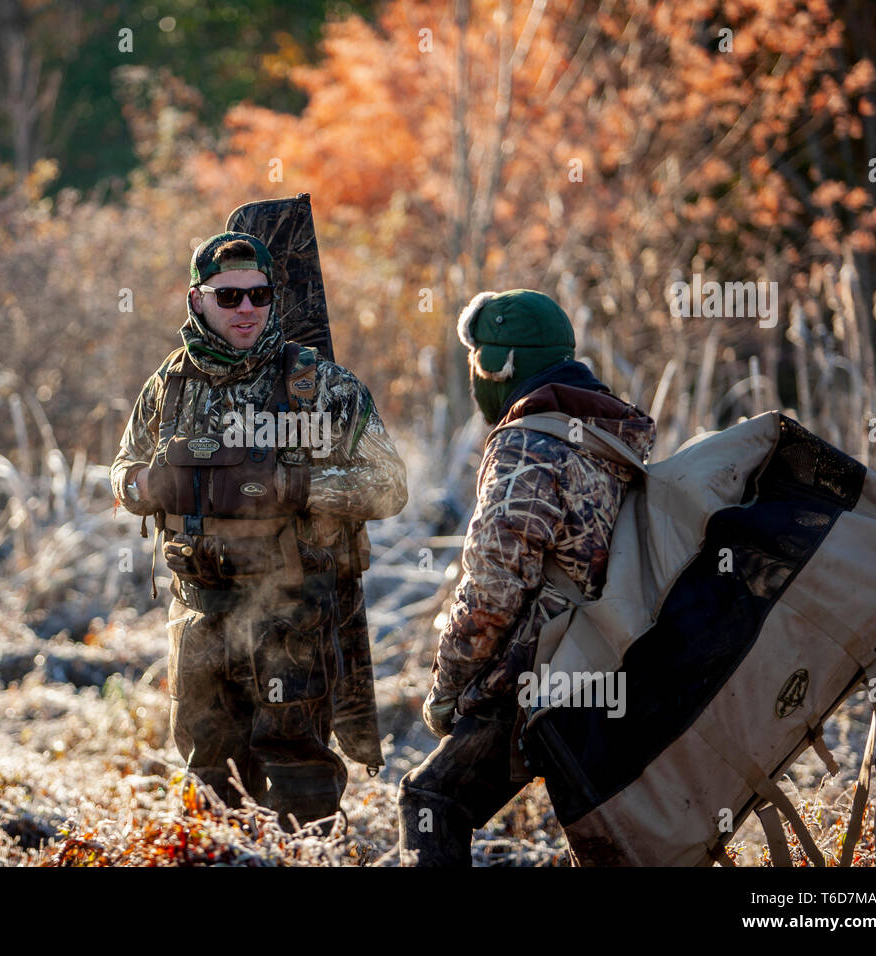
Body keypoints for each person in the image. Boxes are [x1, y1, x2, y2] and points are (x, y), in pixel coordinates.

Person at [111, 231, 407, 829]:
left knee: (301, 778)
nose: (246, 308)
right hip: (197, 616)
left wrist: (296, 488)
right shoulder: (169, 386)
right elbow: (121, 469)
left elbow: (390, 485)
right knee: (208, 777)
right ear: (197, 299)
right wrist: (143, 486)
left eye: (259, 294)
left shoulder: (318, 386)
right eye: (229, 297)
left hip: (293, 615)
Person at [397, 289, 655, 865]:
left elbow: (491, 593)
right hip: (620, 662)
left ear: (499, 365)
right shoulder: (609, 430)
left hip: (545, 675)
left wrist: (446, 691)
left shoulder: (529, 444)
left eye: (476, 359)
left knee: (430, 799)